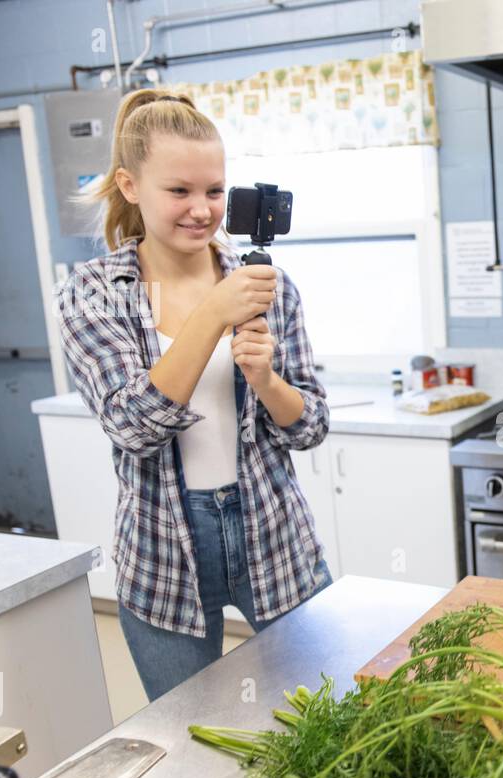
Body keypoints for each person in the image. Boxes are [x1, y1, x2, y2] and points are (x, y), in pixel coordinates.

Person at [55, 89, 333, 700]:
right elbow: (131, 426)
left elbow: (310, 425)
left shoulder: (267, 284)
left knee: (327, 712)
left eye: (214, 191)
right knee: (189, 733)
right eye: (178, 191)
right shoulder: (95, 291)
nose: (201, 210)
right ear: (130, 186)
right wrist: (212, 314)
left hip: (273, 533)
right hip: (162, 552)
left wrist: (267, 382)